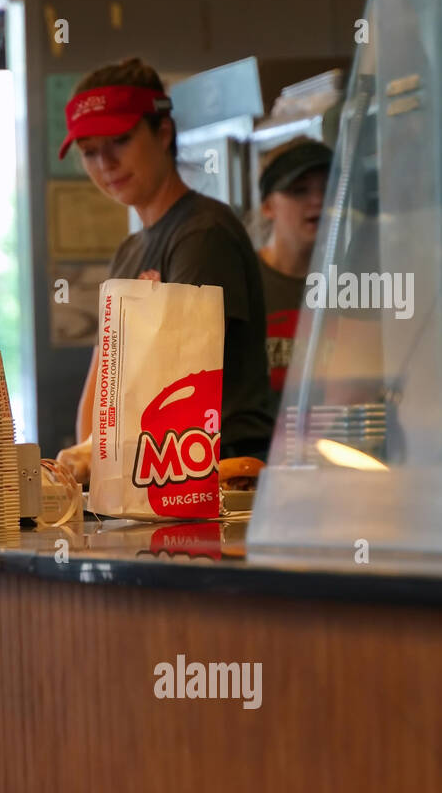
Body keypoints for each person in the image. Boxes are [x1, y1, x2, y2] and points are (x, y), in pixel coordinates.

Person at [57, 58, 274, 482]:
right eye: (89, 152)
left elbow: (182, 377)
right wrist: (92, 463)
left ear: (162, 132)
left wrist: (104, 459)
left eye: (119, 140)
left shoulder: (203, 233)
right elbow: (104, 379)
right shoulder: (129, 251)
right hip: (153, 470)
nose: (106, 164)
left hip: (213, 468)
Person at [255, 136, 331, 416]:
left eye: (328, 189)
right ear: (268, 206)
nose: (318, 201)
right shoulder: (243, 279)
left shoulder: (352, 283)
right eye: (299, 190)